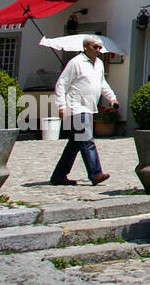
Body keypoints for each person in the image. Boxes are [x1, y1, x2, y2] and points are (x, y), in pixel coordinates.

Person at [50, 35, 117, 186]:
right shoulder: (75, 63)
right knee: (87, 140)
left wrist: (112, 98)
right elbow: (61, 84)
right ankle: (95, 174)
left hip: (89, 107)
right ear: (85, 47)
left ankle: (59, 175)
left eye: (100, 47)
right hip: (76, 107)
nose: (98, 50)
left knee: (75, 143)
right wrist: (61, 106)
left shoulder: (99, 64)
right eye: (95, 47)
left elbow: (102, 83)